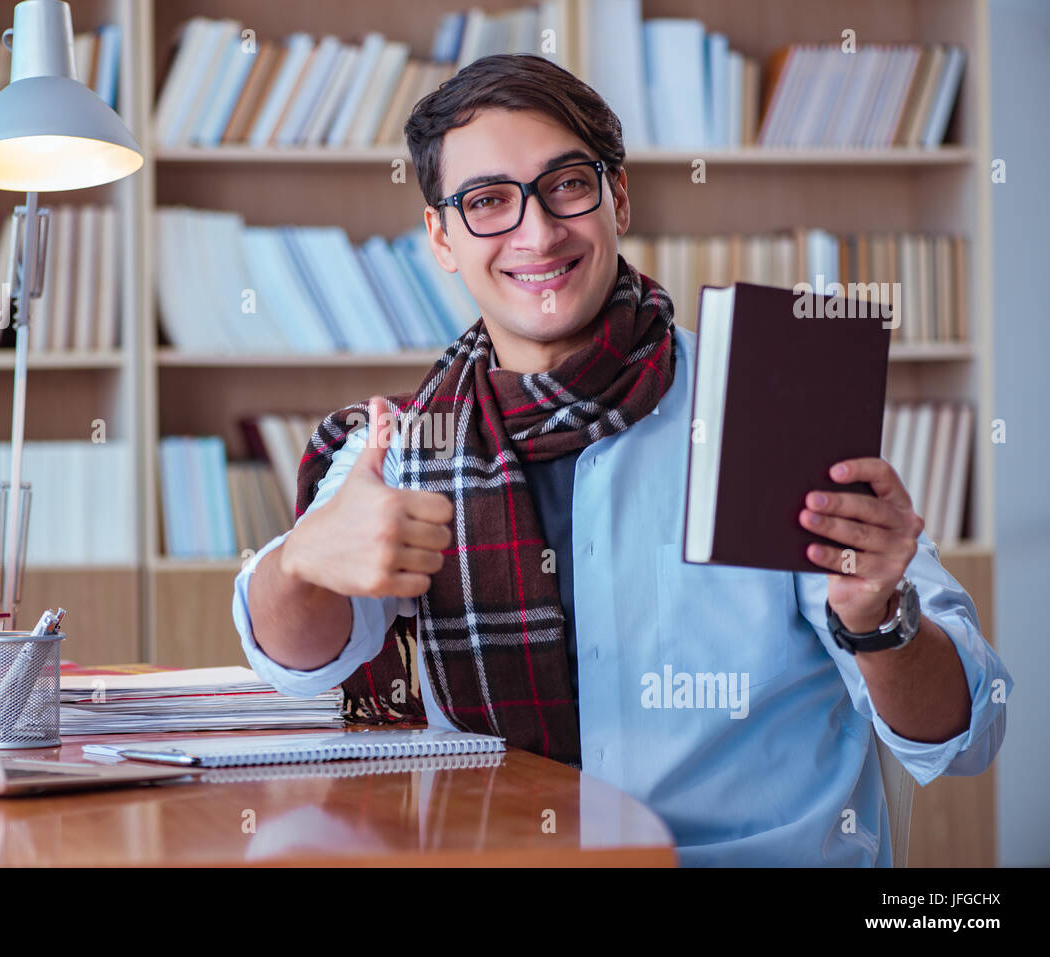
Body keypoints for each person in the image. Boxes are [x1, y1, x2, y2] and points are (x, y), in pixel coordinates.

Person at [231, 54, 1011, 865]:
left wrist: (880, 621)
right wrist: (305, 561)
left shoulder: (769, 404)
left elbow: (966, 734)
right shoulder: (407, 442)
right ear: (442, 238)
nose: (537, 232)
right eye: (489, 201)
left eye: (566, 184)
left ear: (618, 198)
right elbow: (293, 665)